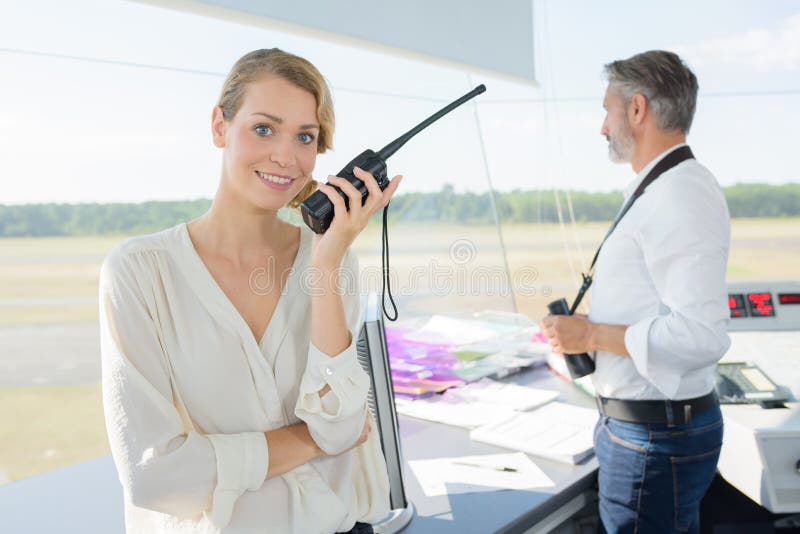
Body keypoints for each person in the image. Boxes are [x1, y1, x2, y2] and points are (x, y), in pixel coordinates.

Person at [99, 48, 402, 534]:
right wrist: (311, 441)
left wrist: (326, 264)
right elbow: (154, 477)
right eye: (264, 129)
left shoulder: (332, 260)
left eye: (304, 136)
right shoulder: (139, 272)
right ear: (219, 126)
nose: (285, 156)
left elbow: (344, 426)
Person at [540, 50, 730, 533]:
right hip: (648, 430)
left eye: (608, 111)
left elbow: (701, 335)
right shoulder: (663, 188)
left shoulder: (678, 195)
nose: (603, 127)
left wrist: (592, 336)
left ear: (638, 108)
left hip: (652, 438)